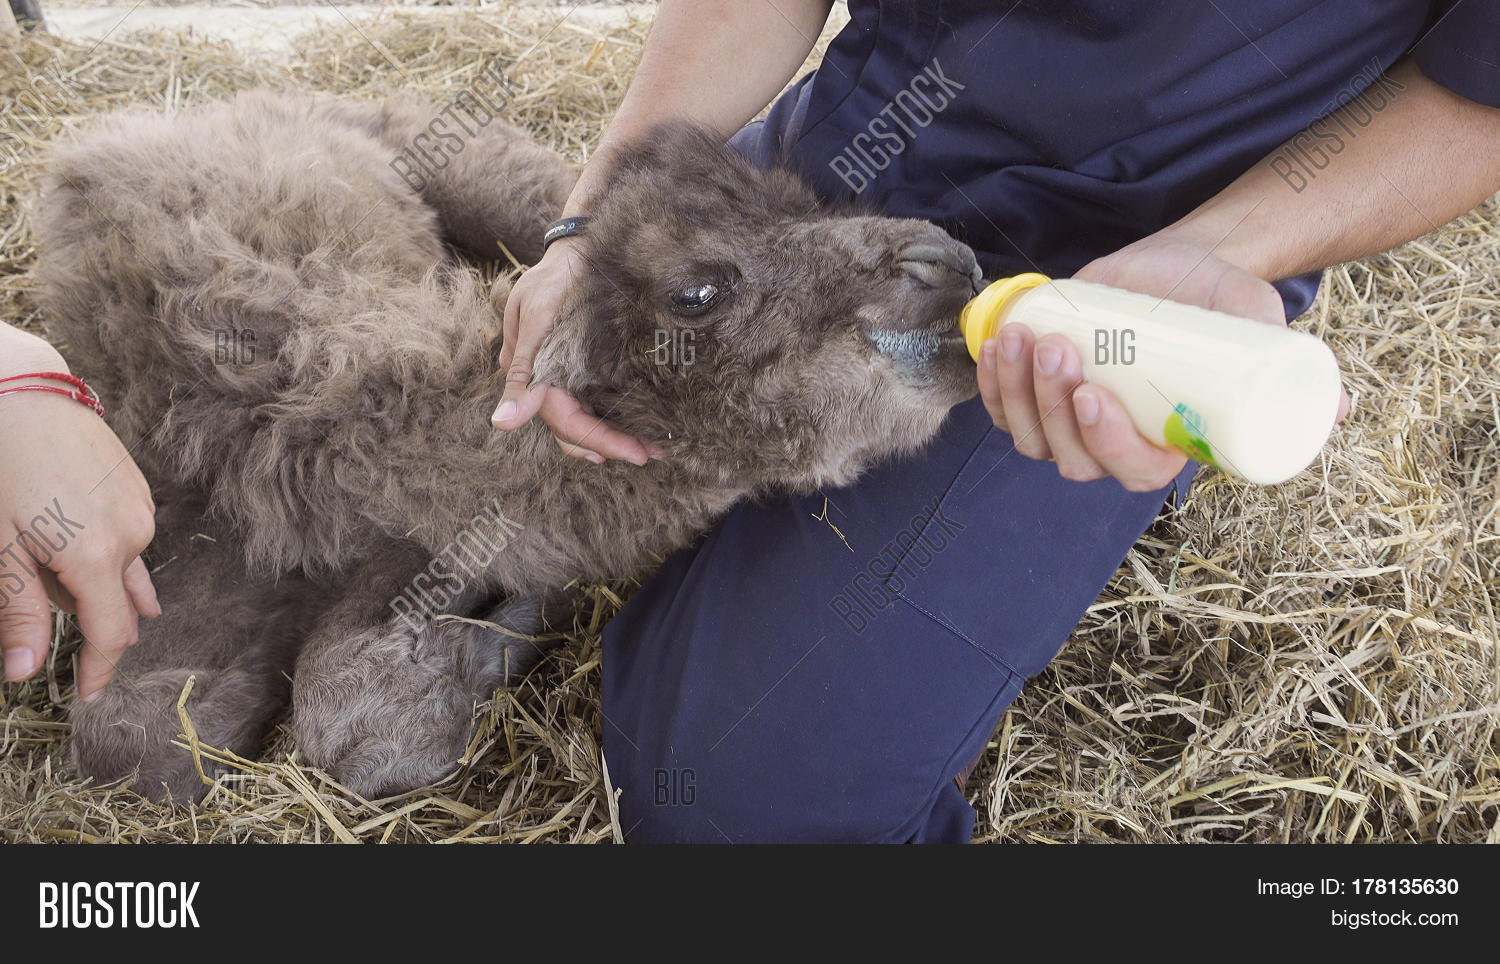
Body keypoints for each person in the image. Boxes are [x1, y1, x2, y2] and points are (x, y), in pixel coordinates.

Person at [491, 0, 1500, 842]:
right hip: (824, 187)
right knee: (523, 424)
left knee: (731, 810)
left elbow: (1478, 94)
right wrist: (599, 222)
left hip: (1099, 292)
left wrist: (1225, 249)